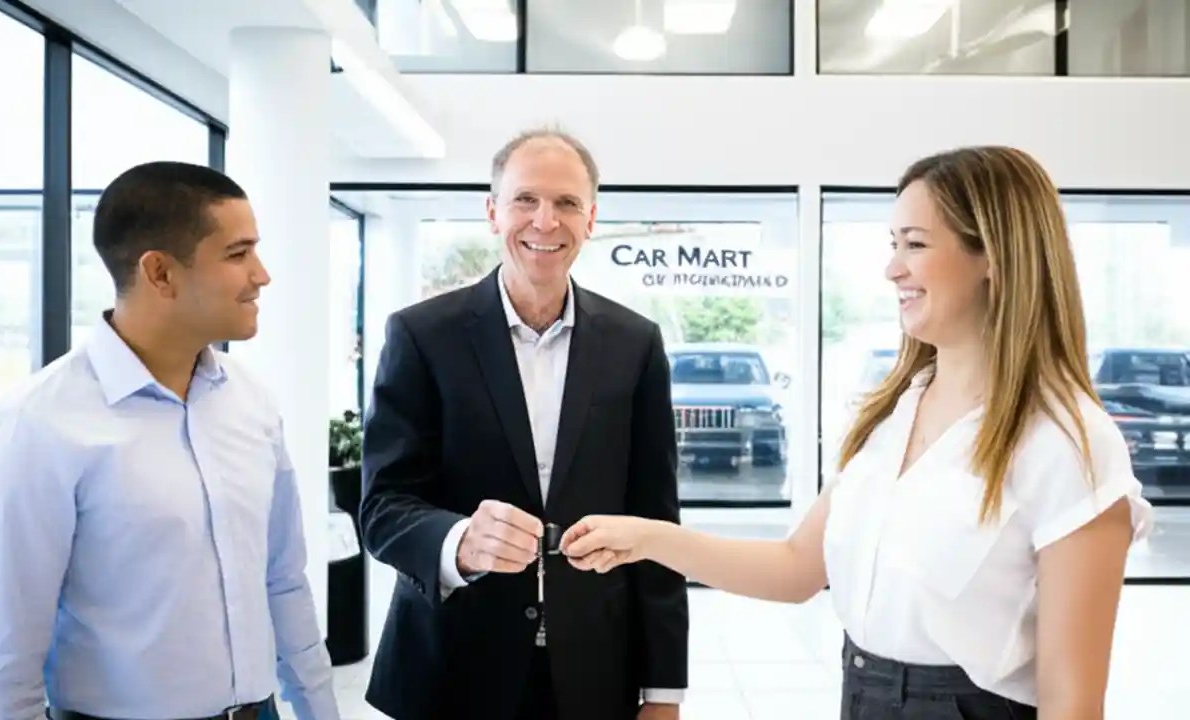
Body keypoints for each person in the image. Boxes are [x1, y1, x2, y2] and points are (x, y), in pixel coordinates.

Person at [559, 146, 1154, 720]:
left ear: (993, 257)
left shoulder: (1068, 442)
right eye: (893, 245)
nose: (892, 268)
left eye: (915, 245)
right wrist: (646, 539)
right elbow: (796, 568)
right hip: (863, 693)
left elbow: (1073, 702)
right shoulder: (896, 412)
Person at [0, 161, 340, 720]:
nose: (261, 275)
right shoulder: (38, 425)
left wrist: (318, 710)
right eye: (238, 254)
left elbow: (282, 581)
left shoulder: (251, 403)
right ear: (160, 273)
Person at [359, 128, 688, 720]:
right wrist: (459, 542)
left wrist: (663, 690)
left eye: (566, 203)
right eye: (525, 200)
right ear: (492, 212)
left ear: (591, 219)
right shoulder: (421, 336)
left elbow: (655, 518)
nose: (545, 221)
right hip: (452, 667)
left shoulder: (635, 343)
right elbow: (383, 506)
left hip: (594, 670)